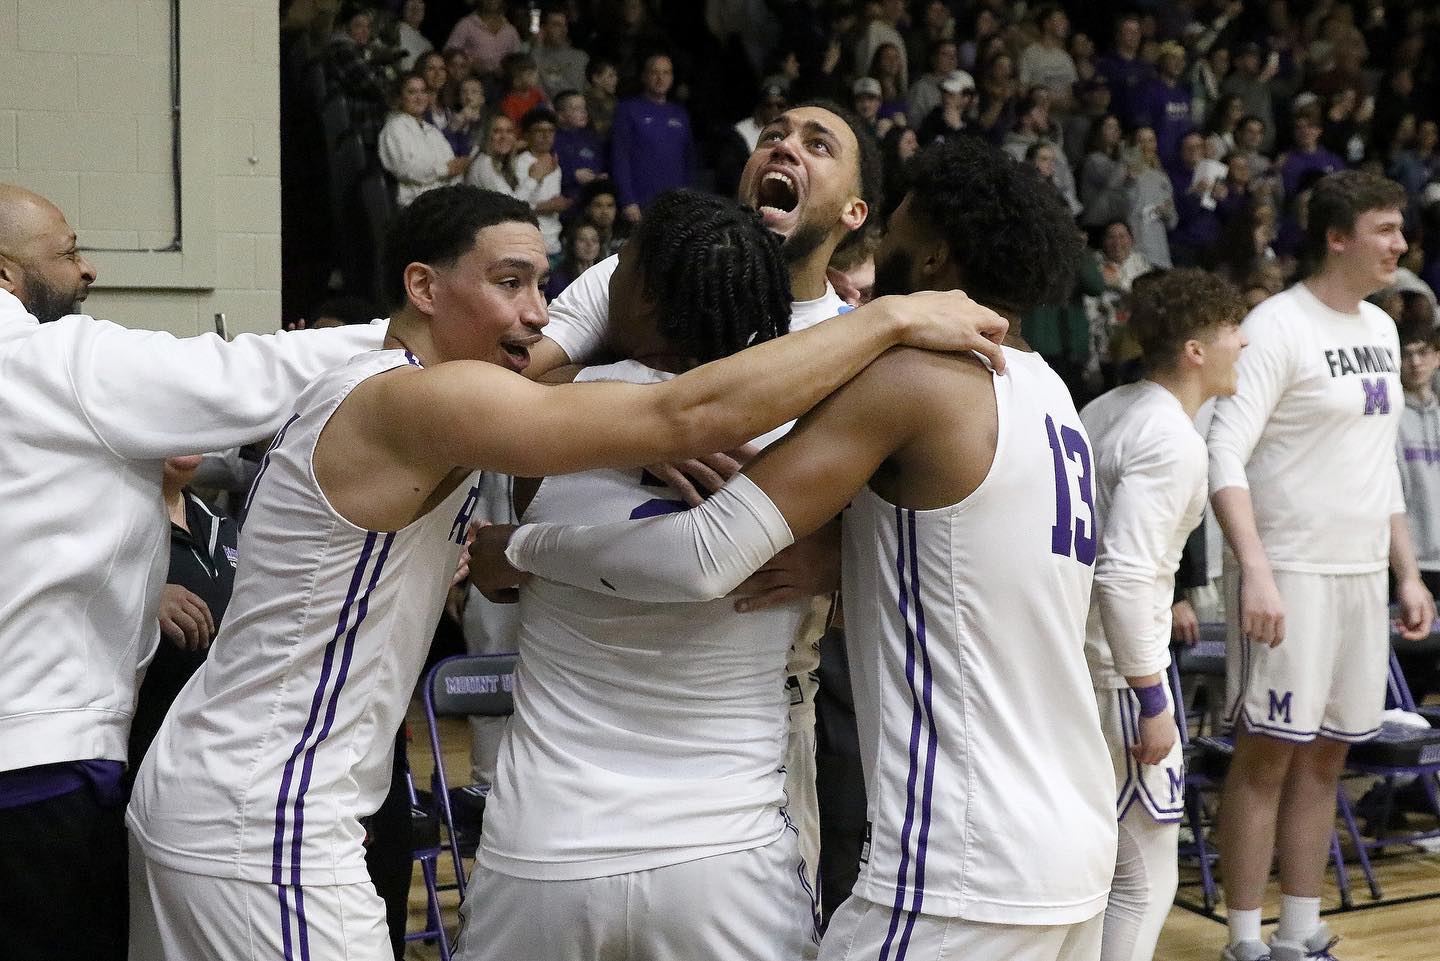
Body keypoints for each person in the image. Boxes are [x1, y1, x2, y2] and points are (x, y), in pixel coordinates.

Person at [124, 184, 1007, 961]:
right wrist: (888, 318)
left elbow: (637, 402)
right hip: (266, 809)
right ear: (423, 288)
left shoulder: (443, 392)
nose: (543, 312)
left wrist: (550, 514)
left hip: (248, 790)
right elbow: (680, 412)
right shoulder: (420, 398)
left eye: (545, 286)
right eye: (511, 283)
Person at [481, 136, 1117, 961]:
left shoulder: (907, 378)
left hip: (958, 852)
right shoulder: (1050, 392)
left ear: (933, 257)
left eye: (889, 232)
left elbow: (707, 553)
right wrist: (845, 560)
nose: (873, 253)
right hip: (1071, 826)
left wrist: (518, 549)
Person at [512, 99, 892, 914]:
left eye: (815, 144)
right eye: (772, 136)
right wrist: (636, 420)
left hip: (764, 699)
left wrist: (840, 559)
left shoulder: (859, 342)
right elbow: (513, 393)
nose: (783, 146)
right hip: (590, 694)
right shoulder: (643, 277)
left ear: (855, 213)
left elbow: (907, 524)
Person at [0, 183, 388, 961]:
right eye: (69, 252)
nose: (89, 269)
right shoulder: (52, 360)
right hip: (37, 774)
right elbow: (254, 373)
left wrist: (137, 594)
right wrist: (423, 332)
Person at [454, 189, 823, 961]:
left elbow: (480, 384)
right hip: (724, 854)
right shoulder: (802, 437)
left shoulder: (538, 419)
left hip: (547, 845)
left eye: (623, 263)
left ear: (645, 291)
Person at [1208, 171, 1436, 961]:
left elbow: (1380, 472)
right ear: (1338, 237)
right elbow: (1223, 453)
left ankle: (1300, 928)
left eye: (1401, 229)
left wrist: (1406, 573)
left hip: (1360, 571)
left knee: (1330, 752)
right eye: (1384, 229)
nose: (1400, 245)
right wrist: (1255, 569)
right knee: (1267, 752)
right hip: (1289, 570)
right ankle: (1244, 937)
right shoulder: (1277, 326)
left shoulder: (1378, 329)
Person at [1080, 269, 1248, 961]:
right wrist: (1152, 694)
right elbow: (1121, 573)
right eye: (1232, 329)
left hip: (1076, 659)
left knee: (1096, 868)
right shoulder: (1170, 437)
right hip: (1119, 673)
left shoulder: (1105, 407)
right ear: (1195, 350)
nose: (1244, 341)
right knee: (1145, 874)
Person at [611, 54, 695, 224]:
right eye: (654, 72)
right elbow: (619, 157)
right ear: (644, 76)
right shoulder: (628, 110)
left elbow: (689, 160)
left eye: (666, 73)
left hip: (676, 204)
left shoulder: (679, 113)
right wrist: (627, 200)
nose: (660, 78)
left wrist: (689, 199)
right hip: (641, 204)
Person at [378, 71, 471, 207]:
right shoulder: (394, 127)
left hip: (446, 203)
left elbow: (452, 166)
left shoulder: (432, 131)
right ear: (399, 97)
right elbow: (406, 168)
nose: (419, 97)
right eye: (412, 92)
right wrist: (444, 170)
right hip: (416, 207)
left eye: (423, 92)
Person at [1397, 317, 1440, 597]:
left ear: (1437, 358)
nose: (1415, 363)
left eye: (1423, 352)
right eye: (1406, 354)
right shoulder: (1388, 419)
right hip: (1406, 562)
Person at [514, 106, 569, 258]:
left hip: (554, 243)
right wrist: (545, 206)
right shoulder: (520, 163)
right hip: (529, 244)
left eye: (551, 131)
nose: (546, 136)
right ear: (527, 135)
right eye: (539, 131)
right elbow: (513, 204)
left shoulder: (555, 165)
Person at [1020, 4, 1078, 110]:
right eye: (1060, 20)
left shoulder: (1065, 57)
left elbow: (1070, 95)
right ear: (1047, 24)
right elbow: (1023, 90)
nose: (1065, 24)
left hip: (1063, 114)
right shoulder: (1030, 54)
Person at [444, 0, 521, 81]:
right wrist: (469, 64)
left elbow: (518, 60)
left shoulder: (510, 30)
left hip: (503, 84)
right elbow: (449, 53)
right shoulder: (465, 25)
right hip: (472, 82)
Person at [553, 90, 607, 201]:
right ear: (561, 115)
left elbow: (601, 164)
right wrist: (572, 176)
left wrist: (600, 177)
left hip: (593, 201)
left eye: (584, 108)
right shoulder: (552, 140)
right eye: (576, 109)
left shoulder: (592, 138)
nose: (583, 112)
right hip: (567, 201)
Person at [532, 4, 589, 100]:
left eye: (565, 25)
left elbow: (587, 91)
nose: (563, 30)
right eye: (556, 25)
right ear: (543, 28)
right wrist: (538, 45)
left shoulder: (581, 57)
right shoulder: (535, 58)